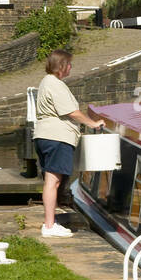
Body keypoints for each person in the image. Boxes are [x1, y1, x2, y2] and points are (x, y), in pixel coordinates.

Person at [33, 48, 105, 237]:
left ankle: (50, 222)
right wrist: (93, 123)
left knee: (51, 181)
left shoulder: (45, 82)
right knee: (53, 182)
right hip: (57, 137)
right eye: (69, 64)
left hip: (44, 134)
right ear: (62, 66)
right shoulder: (55, 84)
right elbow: (71, 112)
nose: (71, 67)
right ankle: (49, 226)